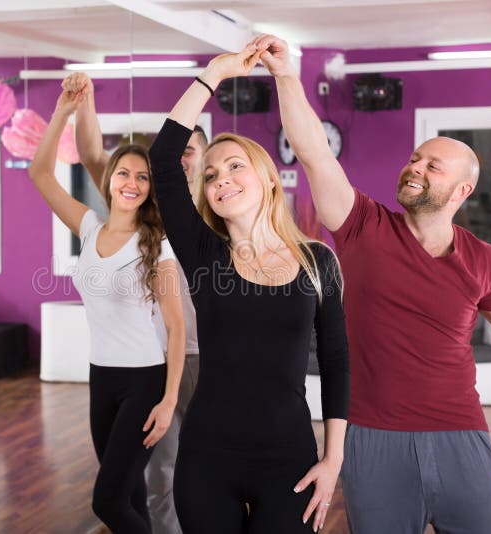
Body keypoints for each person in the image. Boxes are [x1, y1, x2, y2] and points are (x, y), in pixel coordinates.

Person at [253, 33, 491, 533]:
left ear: (462, 190)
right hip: (372, 436)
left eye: (433, 165)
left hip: (461, 434)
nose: (415, 168)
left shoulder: (486, 259)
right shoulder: (362, 225)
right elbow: (316, 153)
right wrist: (286, 76)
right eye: (414, 159)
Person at [148, 44, 350, 533]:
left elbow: (339, 362)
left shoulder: (316, 261)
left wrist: (333, 460)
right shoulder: (203, 255)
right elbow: (163, 158)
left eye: (236, 165)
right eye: (212, 174)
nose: (223, 179)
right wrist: (215, 73)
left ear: (268, 179)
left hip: (289, 460)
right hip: (207, 459)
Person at [29, 83, 185, 534]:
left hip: (145, 381)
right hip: (101, 377)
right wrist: (62, 110)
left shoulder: (157, 245)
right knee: (130, 496)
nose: (132, 184)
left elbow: (175, 328)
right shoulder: (89, 226)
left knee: (107, 501)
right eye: (124, 174)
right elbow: (40, 174)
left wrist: (168, 399)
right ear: (109, 180)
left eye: (142, 177)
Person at [64, 71, 205, 534]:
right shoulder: (144, 200)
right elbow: (89, 155)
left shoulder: (217, 207)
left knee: (203, 468)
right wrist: (83, 103)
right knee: (155, 472)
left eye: (192, 150)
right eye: (175, 150)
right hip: (154, 356)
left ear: (205, 161)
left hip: (204, 356)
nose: (182, 159)